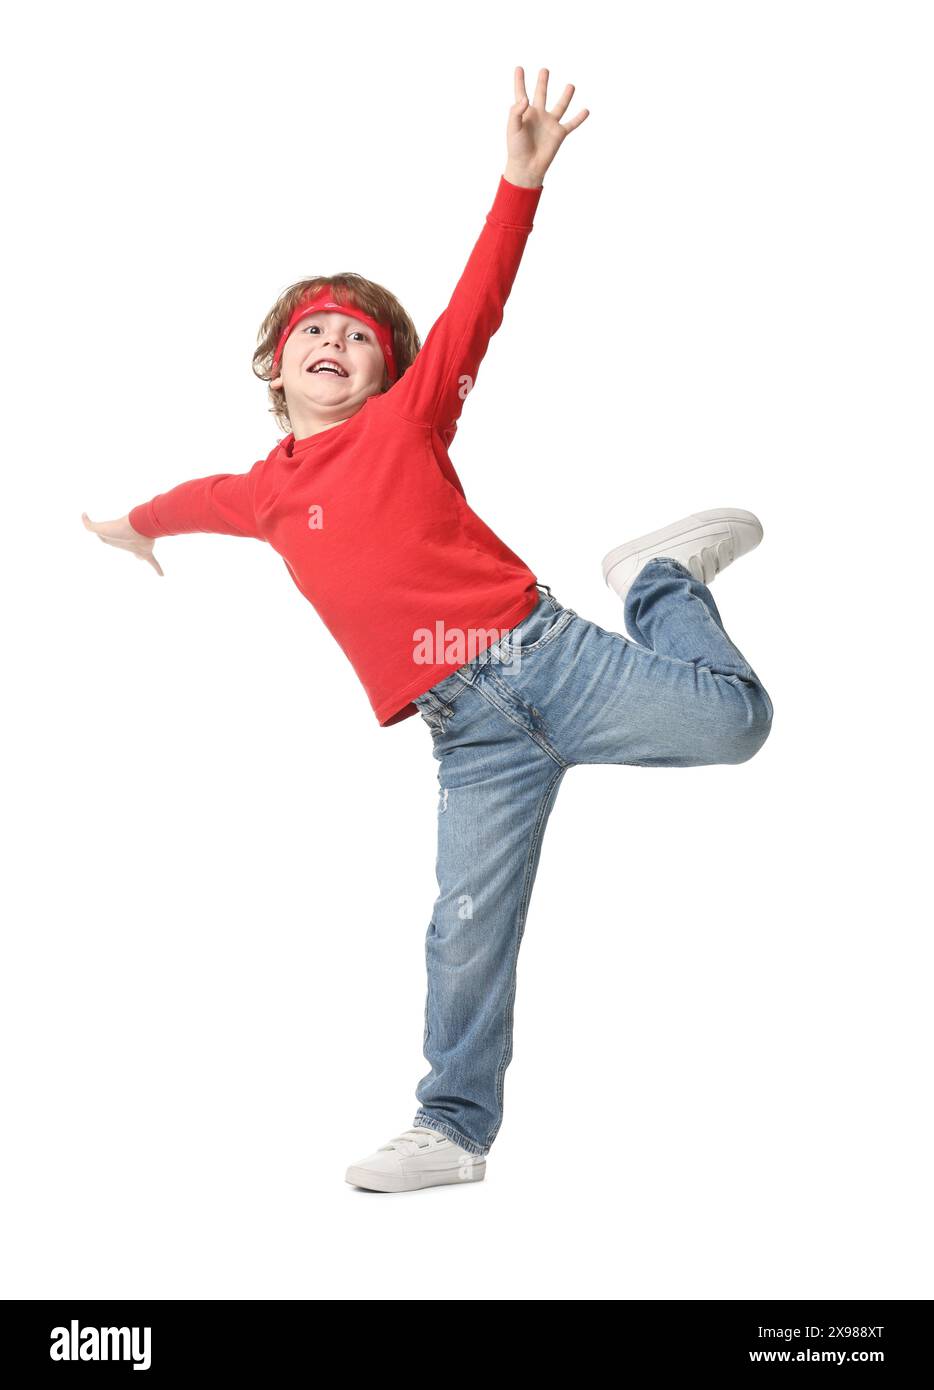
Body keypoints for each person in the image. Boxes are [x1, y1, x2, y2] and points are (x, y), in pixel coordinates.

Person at [82, 67, 772, 1194]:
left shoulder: (409, 418)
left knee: (738, 723)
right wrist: (124, 529)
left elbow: (476, 303)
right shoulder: (262, 491)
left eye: (358, 337)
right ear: (275, 365)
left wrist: (516, 183)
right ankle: (450, 1128)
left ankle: (656, 580)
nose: (334, 344)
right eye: (314, 329)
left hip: (545, 659)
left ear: (388, 371)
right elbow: (188, 501)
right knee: (463, 930)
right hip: (468, 729)